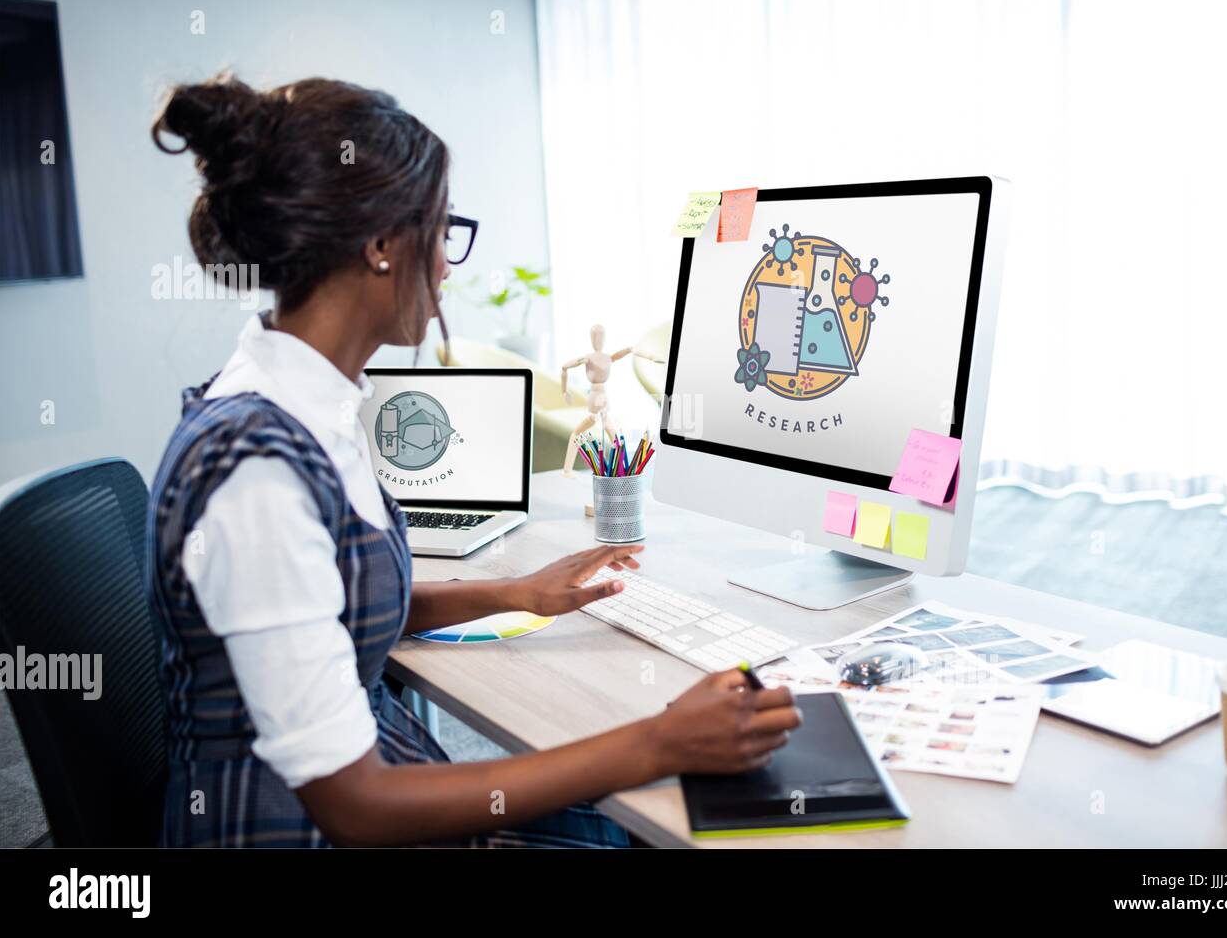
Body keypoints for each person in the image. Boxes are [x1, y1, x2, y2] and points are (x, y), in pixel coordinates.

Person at [145, 74, 799, 847]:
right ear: (383, 245)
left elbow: (333, 605)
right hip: (306, 828)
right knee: (659, 818)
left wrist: (516, 592)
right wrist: (657, 741)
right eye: (441, 228)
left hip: (374, 774)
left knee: (649, 820)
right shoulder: (255, 469)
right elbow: (357, 808)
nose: (449, 268)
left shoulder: (302, 396)